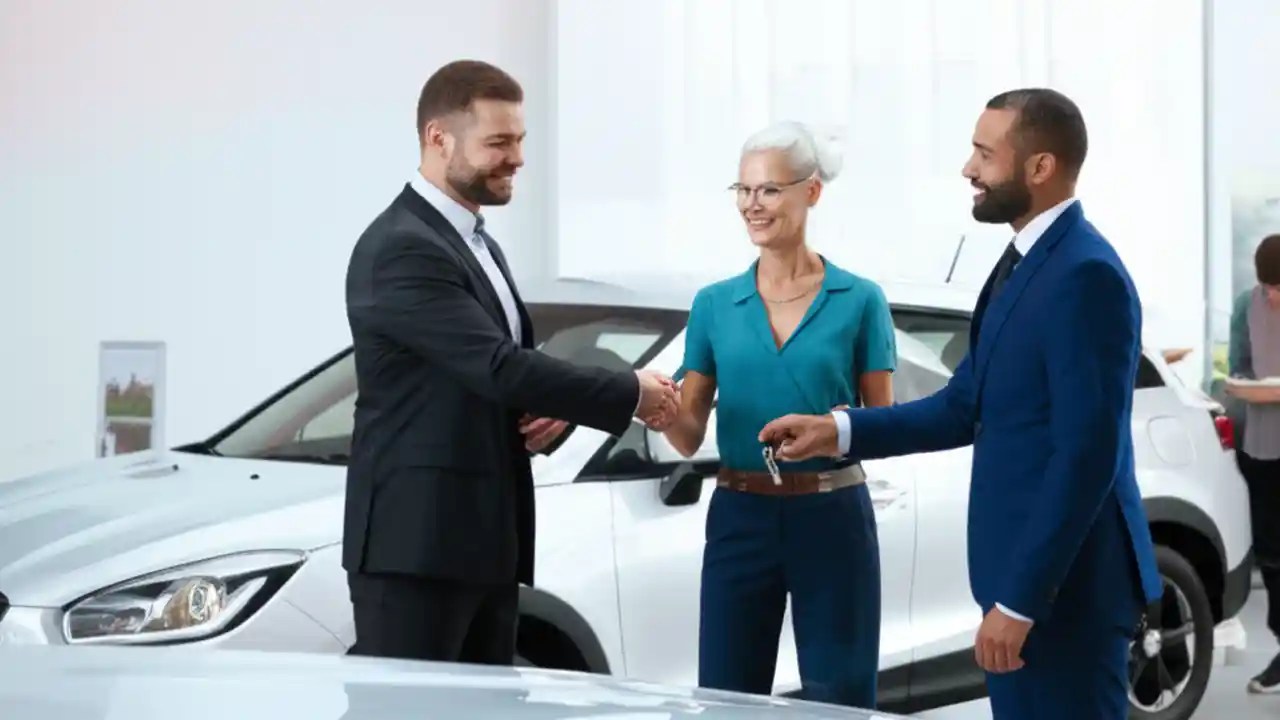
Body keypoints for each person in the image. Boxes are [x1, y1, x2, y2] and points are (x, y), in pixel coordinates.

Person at [758, 89, 1163, 719]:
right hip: (1023, 588)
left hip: (1063, 598)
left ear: (1039, 168)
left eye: (984, 153)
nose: (968, 169)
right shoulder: (1025, 263)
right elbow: (961, 405)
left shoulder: (1086, 275)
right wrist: (836, 431)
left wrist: (1023, 602)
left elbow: (1088, 455)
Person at [342, 60, 678, 665]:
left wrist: (556, 414)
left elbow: (501, 372)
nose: (518, 157)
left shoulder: (474, 239)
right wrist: (628, 393)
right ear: (437, 139)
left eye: (520, 140)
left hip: (483, 546)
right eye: (499, 142)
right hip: (416, 552)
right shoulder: (402, 248)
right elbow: (496, 366)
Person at [661, 121, 895, 708]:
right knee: (726, 698)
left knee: (837, 698)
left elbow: (882, 428)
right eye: (743, 191)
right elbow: (688, 434)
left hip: (832, 514)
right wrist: (651, 405)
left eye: (768, 190)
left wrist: (840, 430)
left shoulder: (860, 299)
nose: (752, 205)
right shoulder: (713, 304)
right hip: (740, 515)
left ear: (810, 192)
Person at [1225, 232, 1280, 694]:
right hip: (1262, 445)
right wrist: (1242, 385)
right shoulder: (1247, 304)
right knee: (1272, 553)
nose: (1274, 296)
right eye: (1269, 288)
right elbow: (1239, 368)